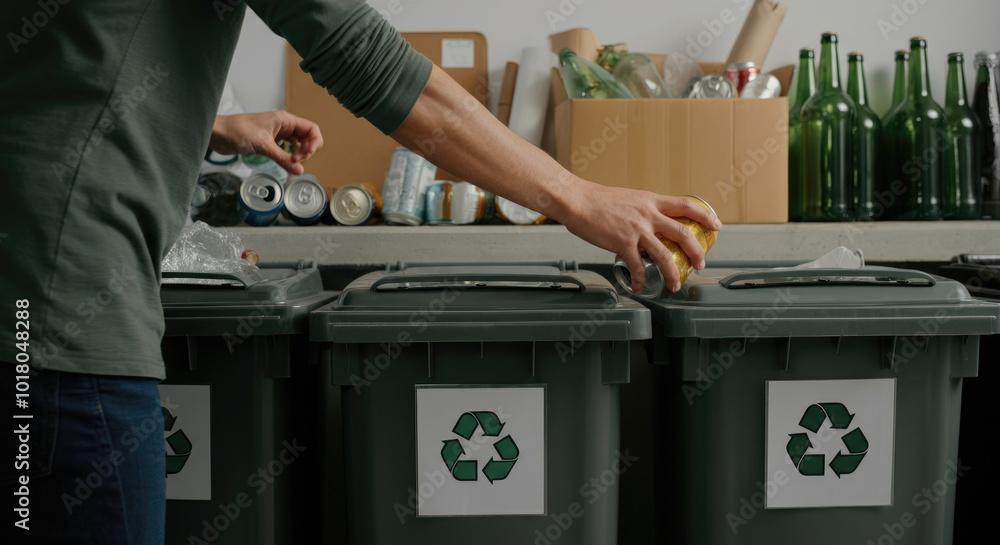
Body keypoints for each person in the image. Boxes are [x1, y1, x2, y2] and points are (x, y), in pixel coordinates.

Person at [0, 0, 720, 543]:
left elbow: (64, 51)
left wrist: (213, 125)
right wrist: (579, 196)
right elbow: (365, 57)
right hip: (64, 308)